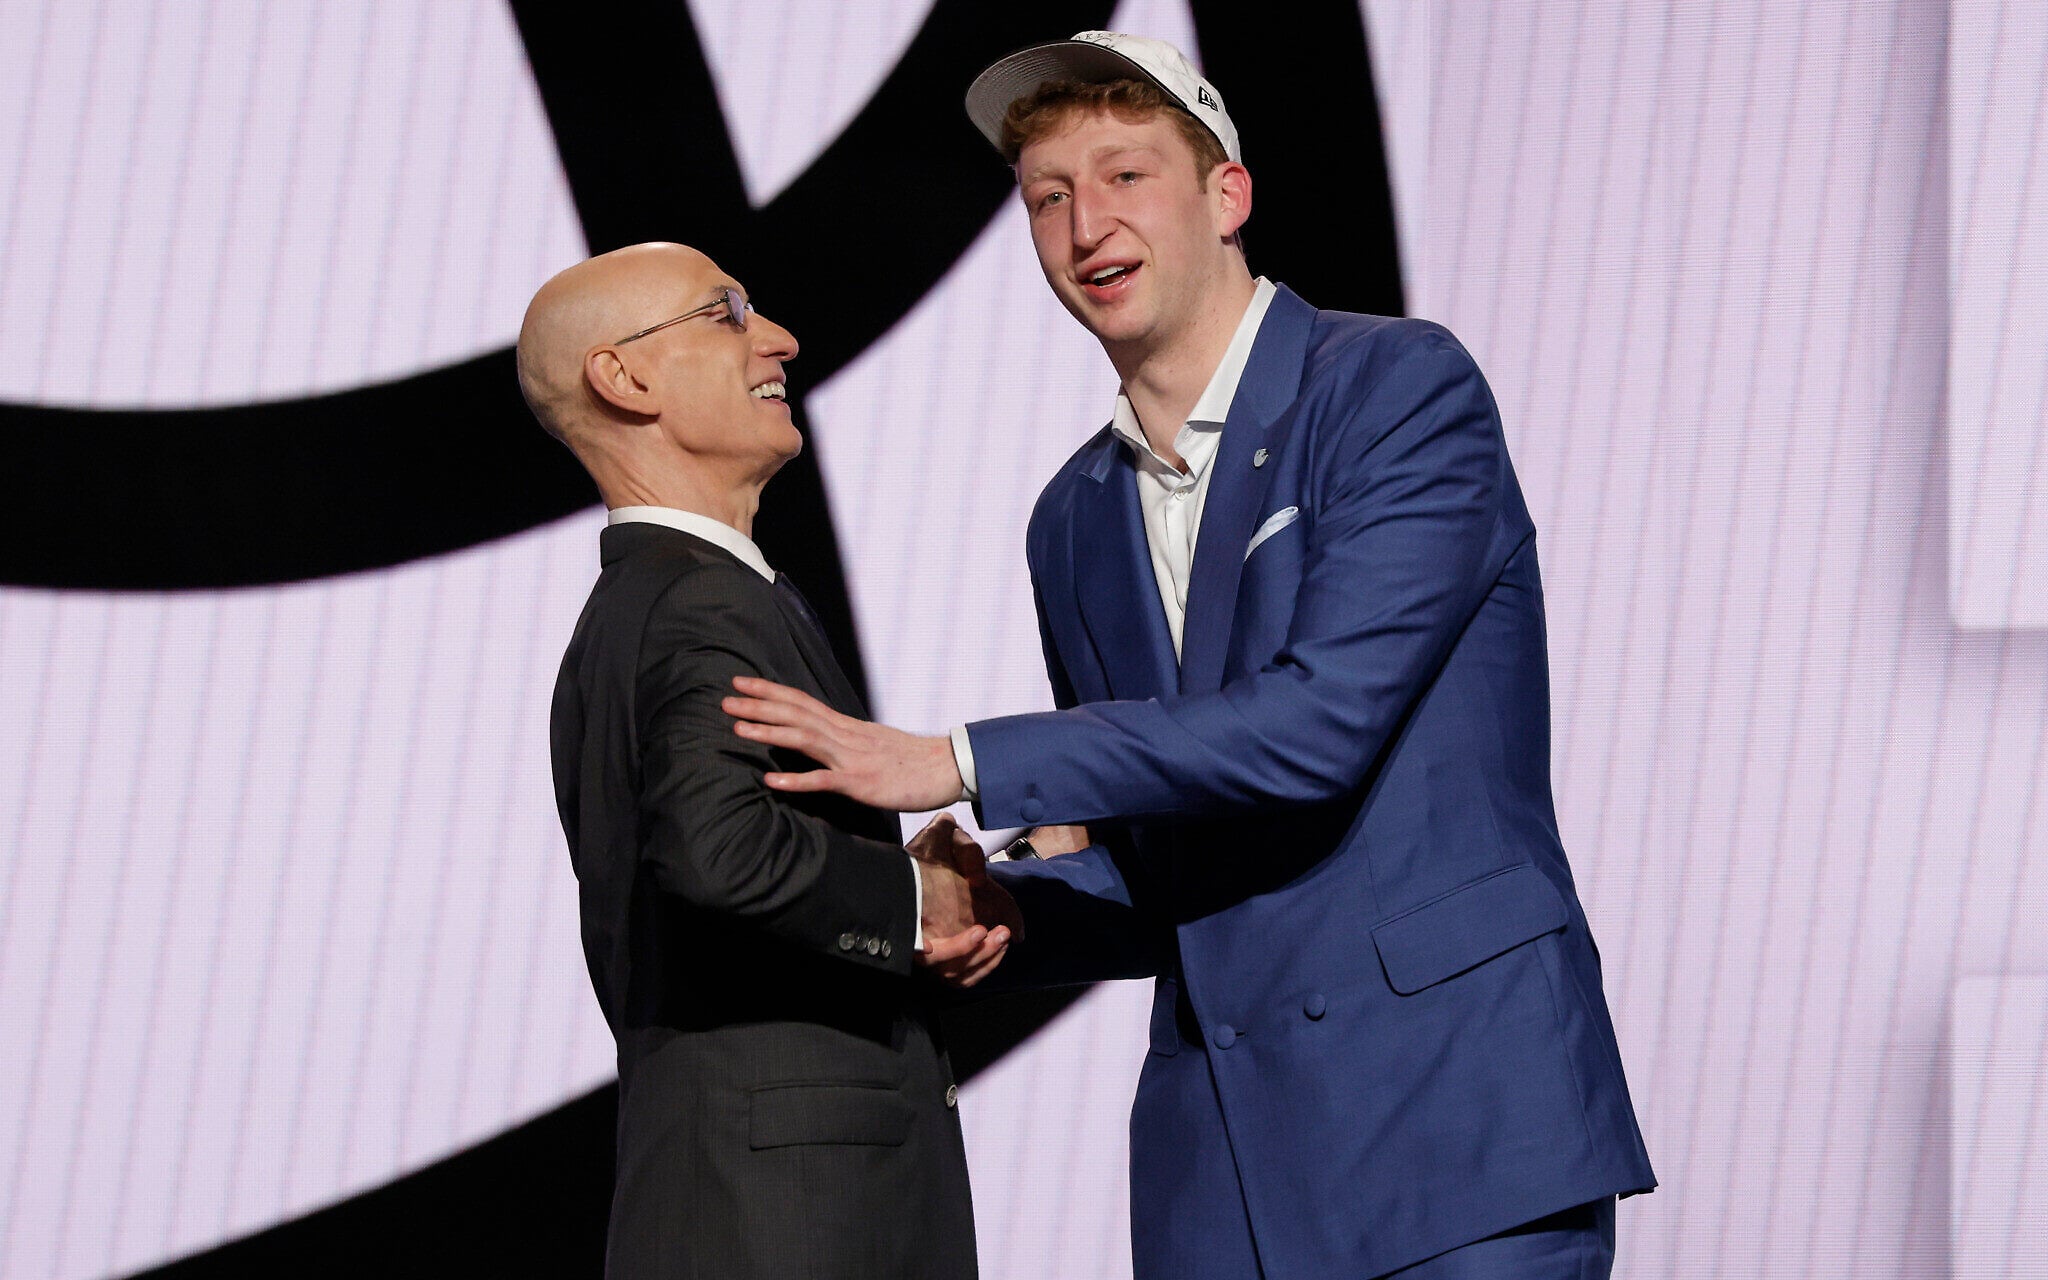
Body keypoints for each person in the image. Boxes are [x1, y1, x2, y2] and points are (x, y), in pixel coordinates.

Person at [722, 32, 1656, 1280]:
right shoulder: (1071, 518)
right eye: (1047, 195)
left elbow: (1316, 727)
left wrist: (954, 760)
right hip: (1221, 1174)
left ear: (1228, 196)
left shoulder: (1393, 387)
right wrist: (996, 912)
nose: (1083, 221)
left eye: (1123, 175)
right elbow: (1154, 863)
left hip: (1455, 1127)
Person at [519, 241, 1011, 1279]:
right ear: (624, 376)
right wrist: (910, 901)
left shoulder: (669, 600)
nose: (778, 337)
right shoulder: (695, 599)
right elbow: (713, 845)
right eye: (724, 313)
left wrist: (910, 904)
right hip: (784, 1220)